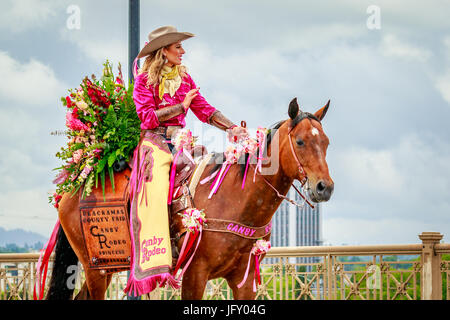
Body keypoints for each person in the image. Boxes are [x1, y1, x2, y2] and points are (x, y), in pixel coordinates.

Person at [124, 26, 245, 296]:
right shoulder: (144, 81)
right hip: (153, 143)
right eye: (177, 46)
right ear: (163, 51)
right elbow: (146, 118)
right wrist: (181, 107)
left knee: (211, 175)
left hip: (182, 142)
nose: (183, 51)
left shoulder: (185, 78)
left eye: (181, 46)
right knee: (154, 189)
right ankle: (156, 256)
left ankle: (196, 241)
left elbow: (203, 109)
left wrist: (232, 128)